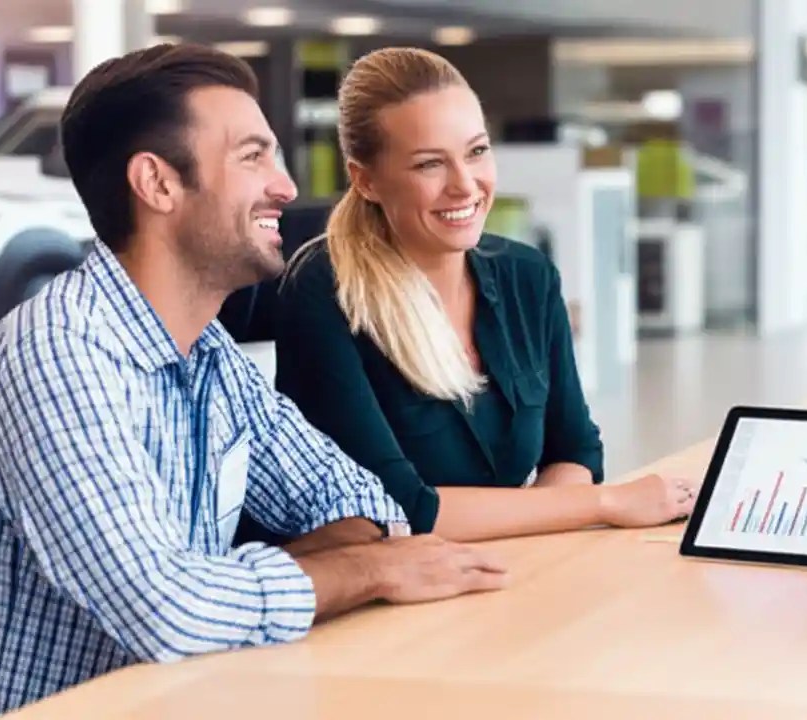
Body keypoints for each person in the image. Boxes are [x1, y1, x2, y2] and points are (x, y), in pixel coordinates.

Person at [0, 44, 506, 714]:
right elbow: (166, 611)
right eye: (252, 157)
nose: (287, 187)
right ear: (157, 184)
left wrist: (226, 588)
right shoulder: (58, 355)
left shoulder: (209, 352)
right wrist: (364, 570)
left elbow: (367, 508)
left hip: (194, 696)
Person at [265, 47, 695, 543]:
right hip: (386, 596)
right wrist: (603, 502)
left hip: (507, 574)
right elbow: (395, 507)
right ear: (365, 179)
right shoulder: (326, 290)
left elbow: (574, 449)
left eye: (477, 151)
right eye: (430, 164)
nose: (466, 185)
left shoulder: (527, 276)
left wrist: (543, 528)